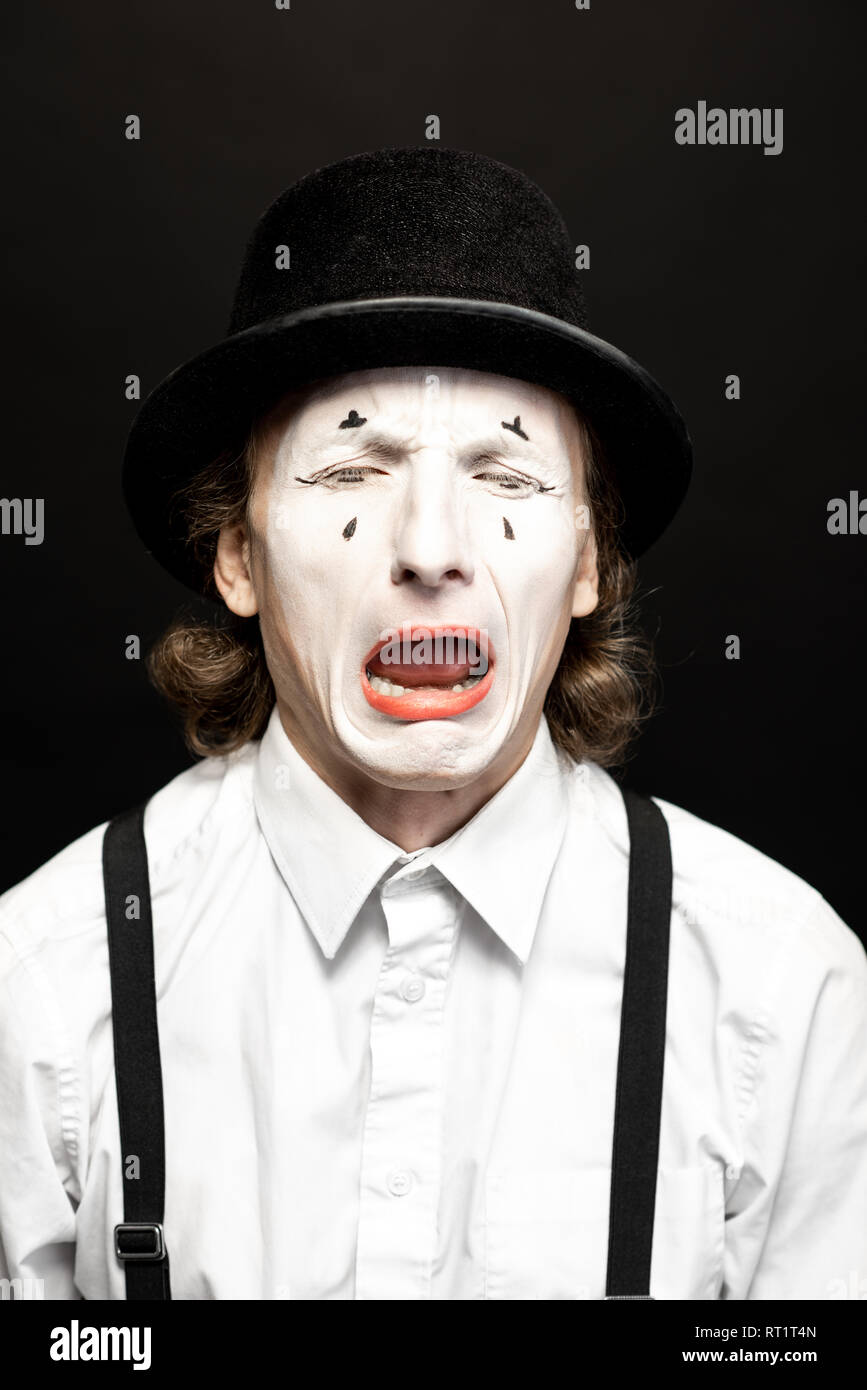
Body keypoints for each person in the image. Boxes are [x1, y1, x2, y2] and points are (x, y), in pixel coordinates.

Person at [1, 148, 864, 1302]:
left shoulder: (783, 984)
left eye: (506, 476)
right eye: (353, 465)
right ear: (240, 553)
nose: (429, 548)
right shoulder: (39, 982)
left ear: (589, 560)